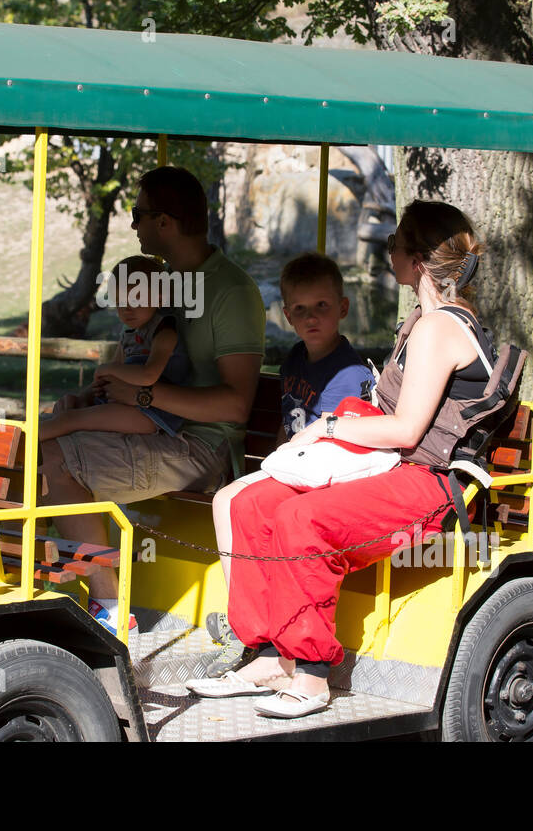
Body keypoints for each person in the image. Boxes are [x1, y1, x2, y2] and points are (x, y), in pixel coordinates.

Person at [185, 200, 493, 718]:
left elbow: (408, 429)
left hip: (429, 482)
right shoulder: (422, 318)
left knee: (302, 519)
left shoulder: (440, 328)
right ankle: (266, 654)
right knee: (249, 505)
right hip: (389, 462)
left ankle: (309, 674)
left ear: (415, 260)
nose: (388, 250)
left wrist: (328, 427)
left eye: (395, 243)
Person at [40, 166, 266, 636]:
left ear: (165, 222)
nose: (133, 225)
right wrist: (86, 396)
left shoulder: (230, 292)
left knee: (55, 456)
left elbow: (236, 408)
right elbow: (133, 364)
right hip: (154, 428)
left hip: (201, 448)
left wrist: (144, 394)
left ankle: (109, 611)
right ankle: (51, 593)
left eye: (138, 214)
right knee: (39, 449)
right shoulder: (157, 284)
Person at [203, 252, 374, 676]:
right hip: (295, 464)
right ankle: (247, 618)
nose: (310, 317)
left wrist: (272, 470)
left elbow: (332, 445)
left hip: (327, 473)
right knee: (228, 501)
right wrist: (268, 466)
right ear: (286, 315)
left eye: (321, 306)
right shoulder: (296, 359)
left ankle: (249, 626)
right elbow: (289, 422)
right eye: (299, 309)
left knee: (231, 501)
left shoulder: (347, 373)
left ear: (343, 309)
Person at [41, 255, 192, 442]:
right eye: (120, 302)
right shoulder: (129, 334)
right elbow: (108, 378)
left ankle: (20, 445)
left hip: (153, 414)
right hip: (126, 406)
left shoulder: (164, 332)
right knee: (67, 409)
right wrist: (83, 397)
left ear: (160, 298)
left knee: (70, 420)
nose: (127, 309)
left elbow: (148, 375)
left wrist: (106, 369)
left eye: (136, 299)